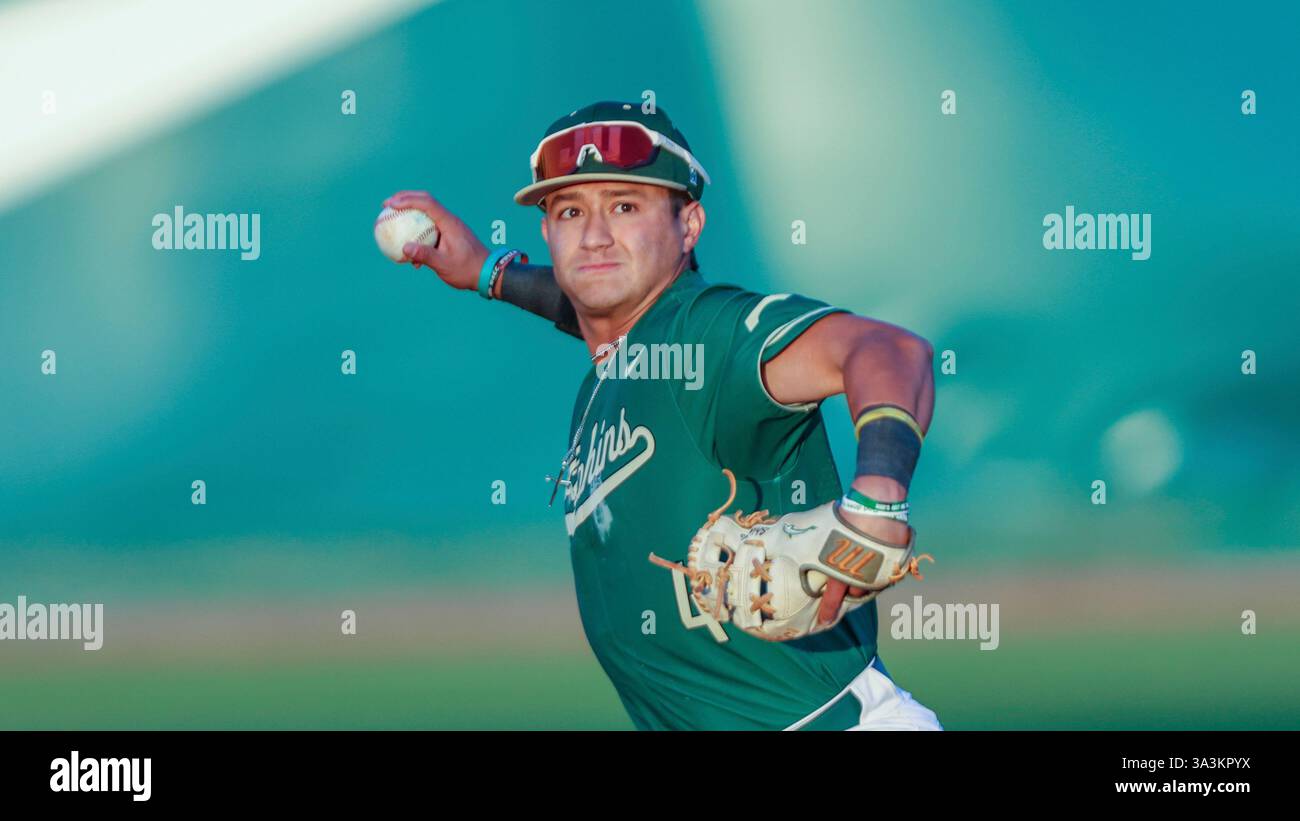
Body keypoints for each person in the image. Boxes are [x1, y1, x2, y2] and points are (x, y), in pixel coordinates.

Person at [383, 101, 942, 730]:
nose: (594, 235)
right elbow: (603, 319)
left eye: (625, 206)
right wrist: (489, 271)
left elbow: (890, 350)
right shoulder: (626, 359)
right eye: (571, 211)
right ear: (547, 231)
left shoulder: (707, 331)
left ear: (689, 224)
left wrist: (881, 495)